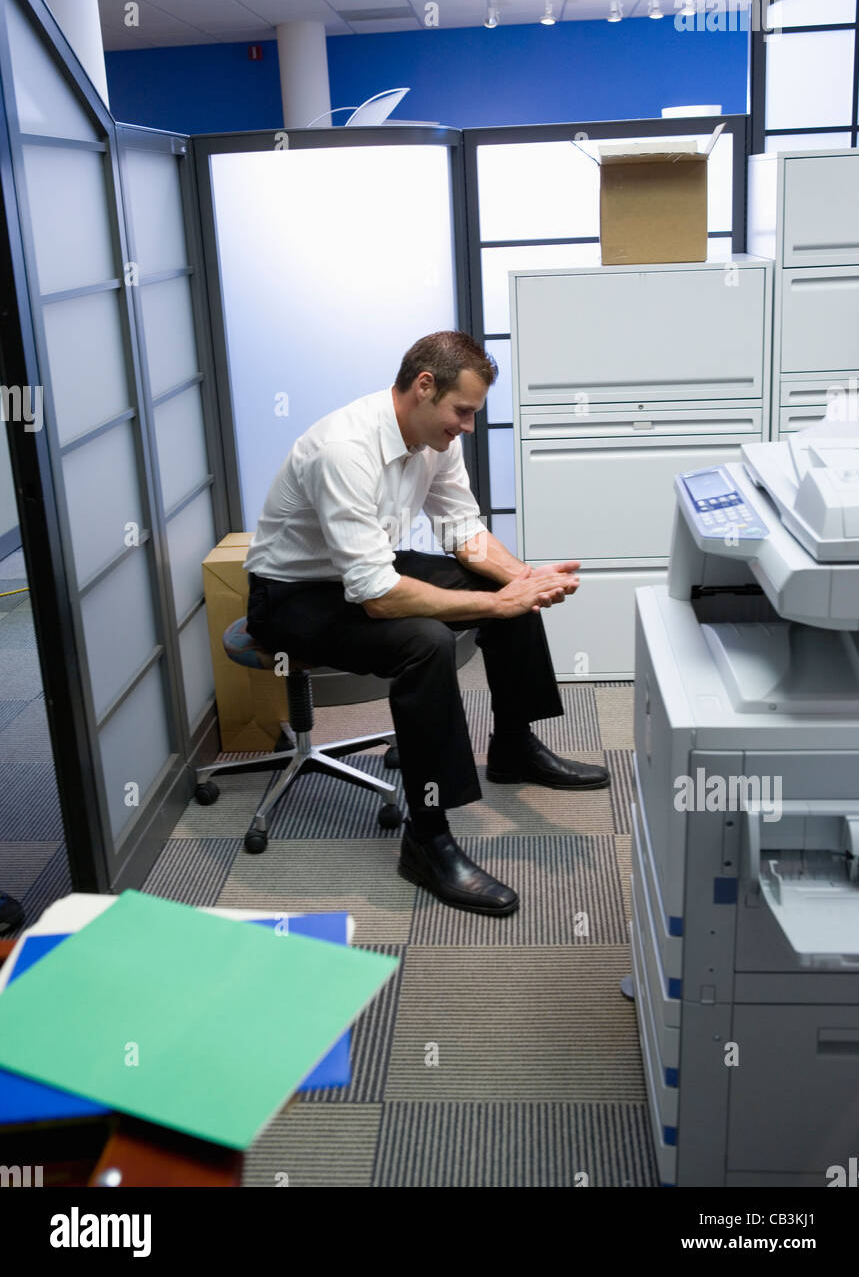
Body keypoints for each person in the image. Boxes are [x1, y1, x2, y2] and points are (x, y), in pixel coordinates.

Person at [244, 330, 610, 917]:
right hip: (290, 596)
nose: (468, 426)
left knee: (503, 584)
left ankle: (513, 746)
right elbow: (377, 597)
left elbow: (463, 532)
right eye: (462, 410)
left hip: (361, 571)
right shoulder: (346, 448)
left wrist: (524, 581)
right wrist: (498, 606)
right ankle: (428, 839)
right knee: (426, 641)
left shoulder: (438, 439)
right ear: (423, 387)